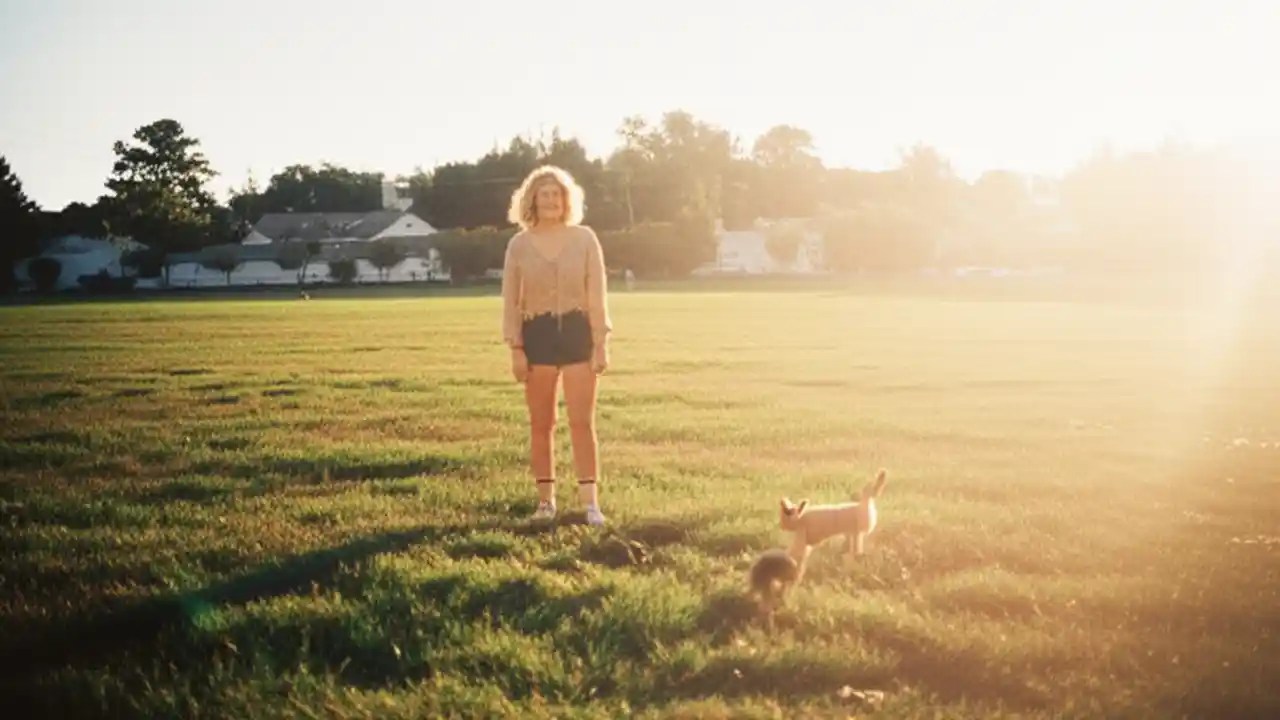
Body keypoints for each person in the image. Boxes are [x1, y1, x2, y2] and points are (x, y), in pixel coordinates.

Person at [501, 165, 612, 525]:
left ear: (566, 200)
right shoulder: (518, 245)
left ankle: (590, 503)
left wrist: (601, 342)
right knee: (542, 423)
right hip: (538, 336)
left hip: (578, 332)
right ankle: (546, 503)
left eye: (556, 194)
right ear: (532, 199)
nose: (550, 200)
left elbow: (597, 293)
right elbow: (510, 302)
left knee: (582, 421)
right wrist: (516, 347)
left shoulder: (584, 238)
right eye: (544, 194)